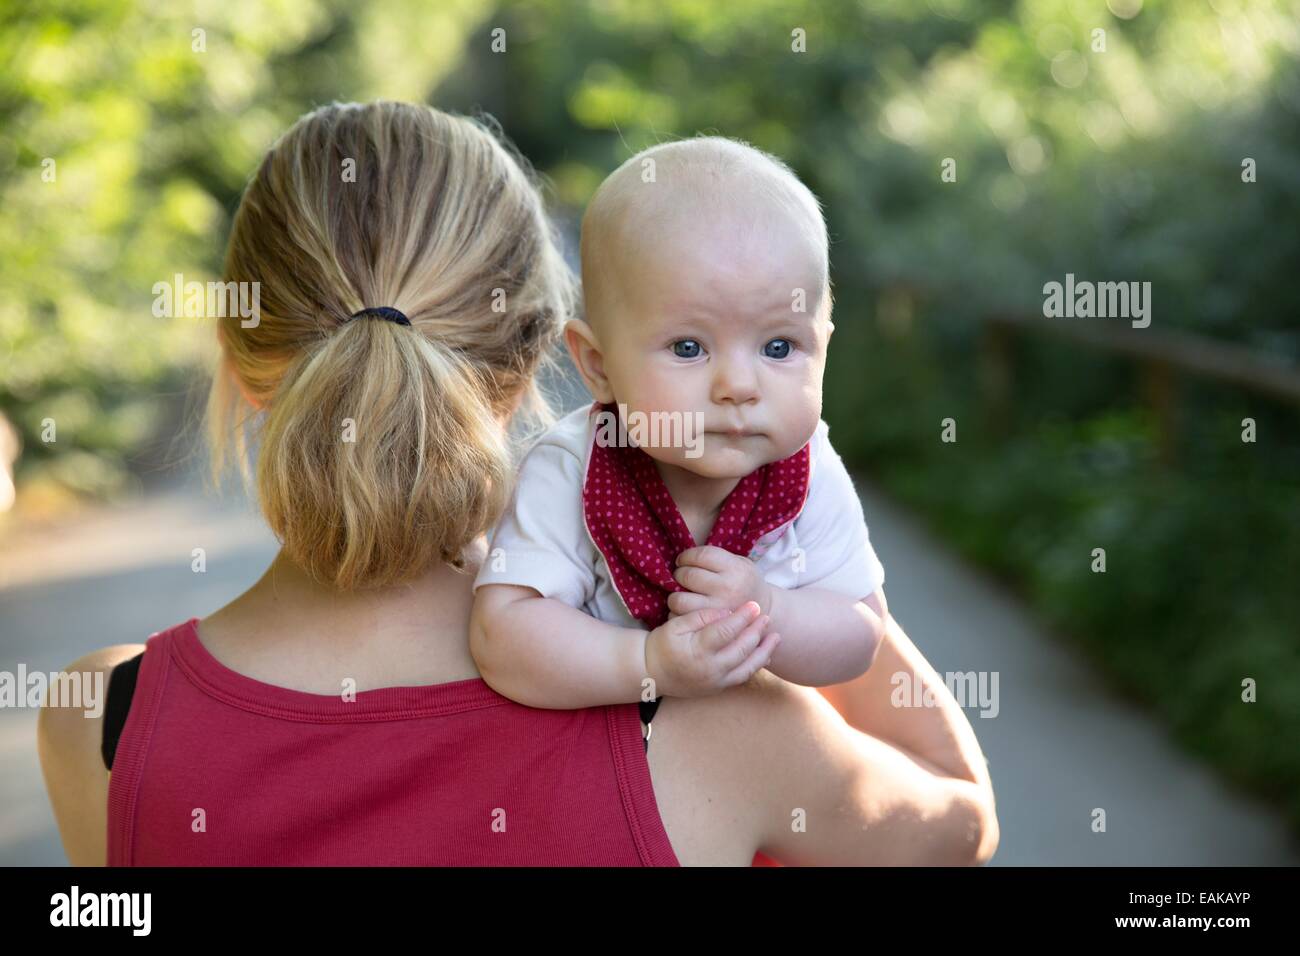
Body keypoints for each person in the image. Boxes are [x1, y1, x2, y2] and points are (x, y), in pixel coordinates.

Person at [37, 100, 998, 866]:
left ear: (241, 361)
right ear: (549, 357)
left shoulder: (106, 725)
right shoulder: (720, 727)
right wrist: (799, 529)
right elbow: (963, 821)